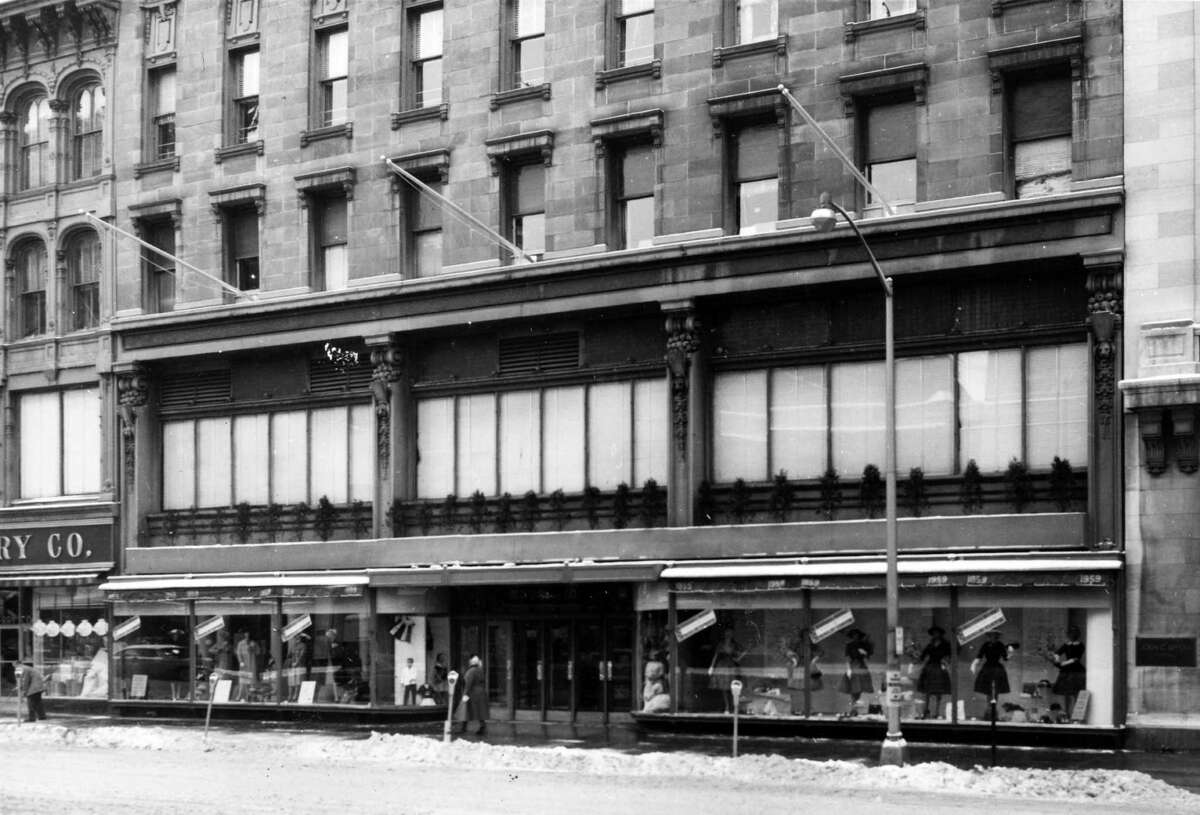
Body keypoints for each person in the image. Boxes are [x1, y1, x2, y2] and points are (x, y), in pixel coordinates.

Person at [836, 628, 874, 716]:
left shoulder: (863, 645)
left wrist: (864, 652)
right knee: (854, 687)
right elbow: (847, 657)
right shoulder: (849, 645)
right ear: (852, 636)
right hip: (853, 665)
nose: (855, 637)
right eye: (854, 635)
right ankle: (854, 707)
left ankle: (854, 707)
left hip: (861, 666)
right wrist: (848, 668)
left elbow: (868, 655)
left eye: (857, 635)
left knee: (858, 687)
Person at [1051, 625, 1086, 718]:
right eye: (1070, 633)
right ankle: (1066, 714)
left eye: (1074, 634)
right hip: (1067, 670)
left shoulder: (1080, 645)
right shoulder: (1066, 645)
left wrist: (1063, 664)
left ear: (1077, 635)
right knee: (1067, 693)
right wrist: (1056, 659)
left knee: (1075, 693)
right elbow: (1057, 653)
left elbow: (1076, 658)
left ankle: (1075, 715)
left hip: (1076, 670)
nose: (1072, 635)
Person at [917, 626, 952, 719]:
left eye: (937, 633)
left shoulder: (945, 645)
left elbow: (950, 655)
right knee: (927, 690)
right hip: (930, 667)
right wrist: (916, 656)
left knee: (939, 691)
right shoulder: (930, 645)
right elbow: (923, 655)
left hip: (939, 667)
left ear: (940, 634)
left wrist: (946, 662)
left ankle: (937, 711)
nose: (935, 635)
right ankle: (926, 710)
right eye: (934, 633)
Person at [707, 628, 744, 714]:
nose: (728, 635)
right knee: (723, 687)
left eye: (730, 633)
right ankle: (727, 707)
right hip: (722, 666)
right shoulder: (721, 644)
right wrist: (711, 667)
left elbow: (741, 653)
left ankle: (733, 707)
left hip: (731, 666)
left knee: (732, 687)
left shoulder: (734, 645)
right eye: (727, 633)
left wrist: (739, 658)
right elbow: (715, 656)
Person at [972, 629, 1011, 700]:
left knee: (996, 689)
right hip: (987, 667)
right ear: (989, 636)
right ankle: (989, 706)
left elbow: (1005, 658)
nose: (993, 637)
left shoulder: (1000, 645)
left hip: (997, 668)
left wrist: (1010, 653)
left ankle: (994, 706)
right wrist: (973, 664)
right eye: (991, 635)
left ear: (997, 636)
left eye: (995, 636)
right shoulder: (986, 645)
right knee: (988, 689)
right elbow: (979, 656)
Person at [458, 654, 488, 735]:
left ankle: (463, 727)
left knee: (465, 710)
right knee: (480, 711)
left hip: (472, 693)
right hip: (480, 692)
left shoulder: (470, 671)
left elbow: (468, 684)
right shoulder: (480, 670)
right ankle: (483, 726)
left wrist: (465, 694)